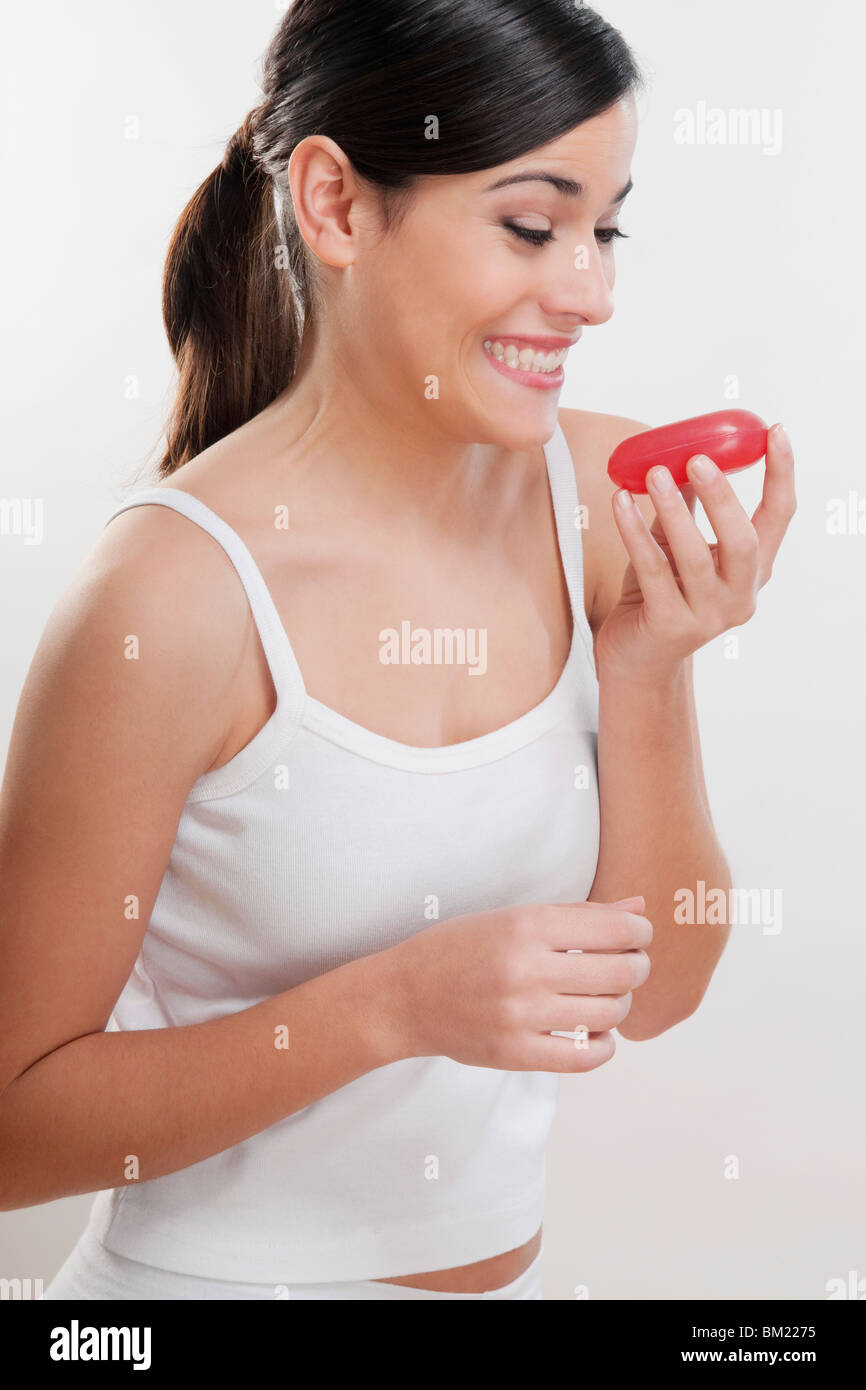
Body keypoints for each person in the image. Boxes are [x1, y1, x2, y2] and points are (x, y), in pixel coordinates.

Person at [1, 0, 795, 1301]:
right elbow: (11, 1128)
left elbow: (653, 993)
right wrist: (390, 1005)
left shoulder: (591, 497)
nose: (589, 289)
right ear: (336, 204)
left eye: (604, 228)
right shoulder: (170, 598)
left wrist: (649, 665)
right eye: (532, 226)